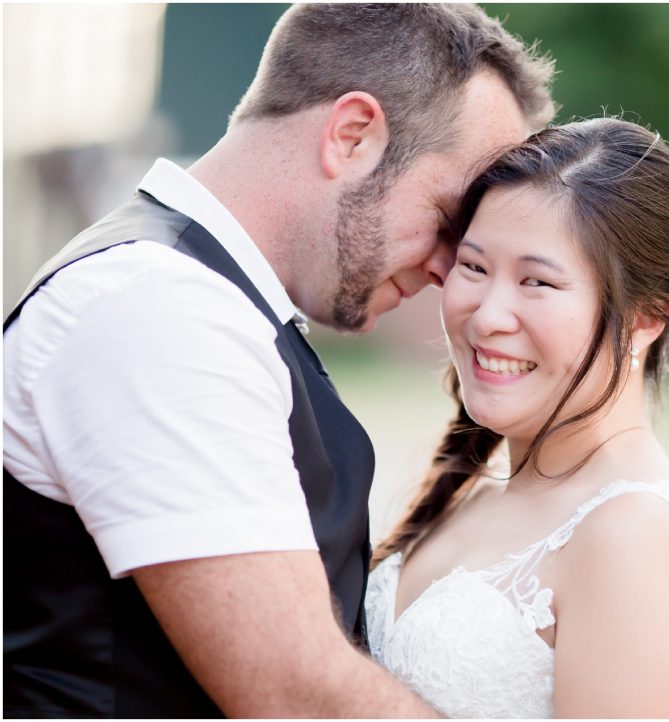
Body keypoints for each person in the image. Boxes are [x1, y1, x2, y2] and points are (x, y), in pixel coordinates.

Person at [3, 4, 554, 717]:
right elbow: (300, 695)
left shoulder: (203, 299)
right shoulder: (160, 306)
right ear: (353, 136)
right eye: (449, 218)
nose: (452, 268)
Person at [365, 118, 669, 718]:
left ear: (645, 318)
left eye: (537, 281)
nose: (487, 316)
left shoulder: (636, 531)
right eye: (474, 268)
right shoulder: (478, 486)